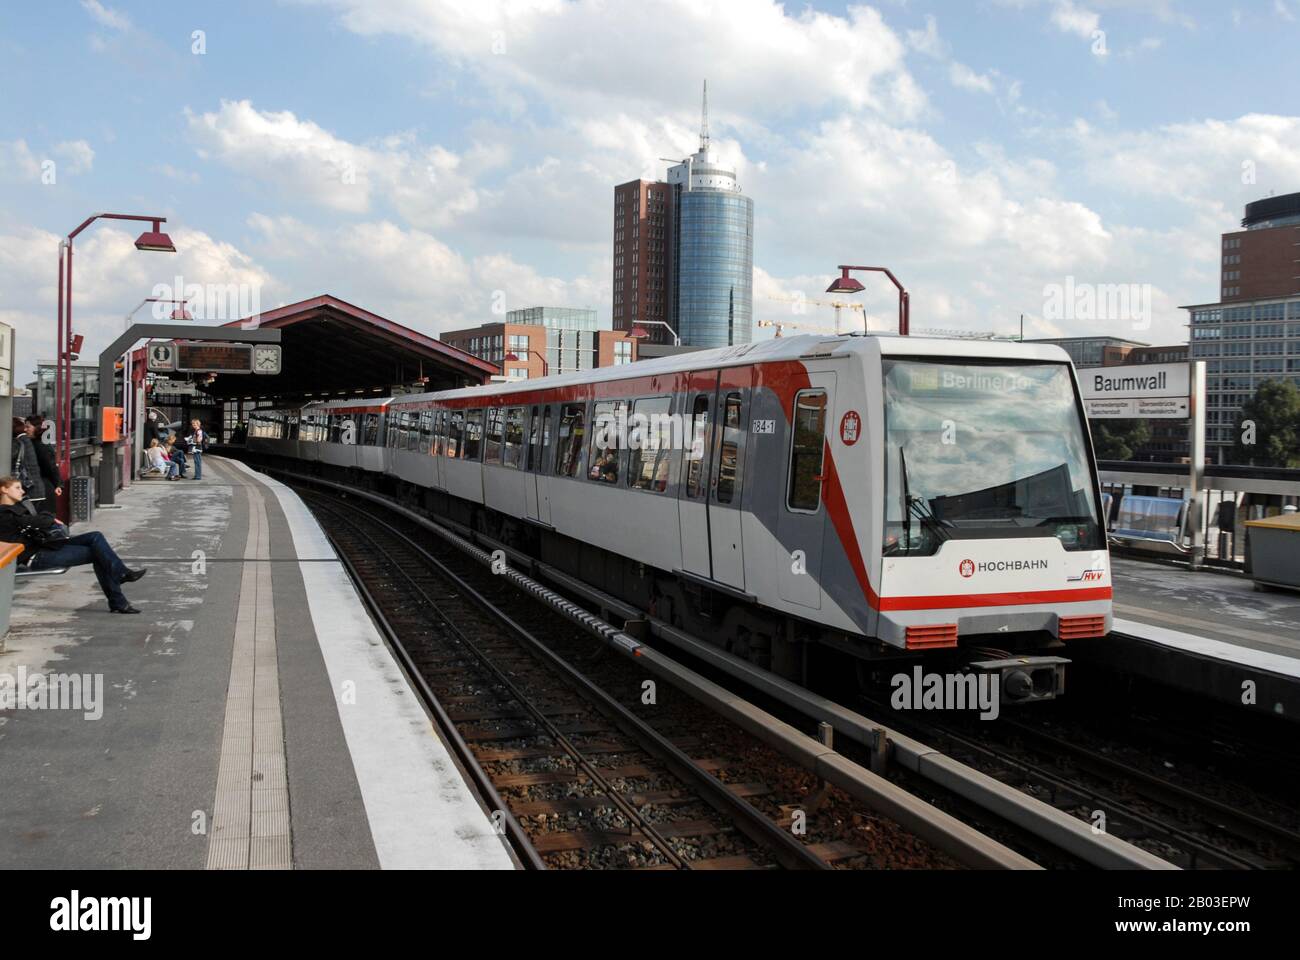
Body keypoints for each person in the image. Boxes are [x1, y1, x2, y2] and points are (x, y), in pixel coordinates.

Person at [0, 474, 146, 613]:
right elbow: (41, 520)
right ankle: (119, 594)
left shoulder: (18, 508)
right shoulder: (4, 514)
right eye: (17, 488)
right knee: (99, 554)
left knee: (95, 537)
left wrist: (46, 518)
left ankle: (121, 577)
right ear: (4, 489)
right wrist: (48, 518)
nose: (23, 491)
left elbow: (41, 518)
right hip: (36, 556)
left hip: (46, 545)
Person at [24, 416, 62, 501]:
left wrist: (58, 484)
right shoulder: (32, 442)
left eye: (28, 427)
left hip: (43, 485)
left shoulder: (42, 446)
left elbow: (50, 466)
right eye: (24, 427)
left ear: (37, 428)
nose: (25, 430)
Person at [11, 417, 45, 504]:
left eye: (28, 427)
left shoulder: (18, 442)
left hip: (29, 490)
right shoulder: (26, 440)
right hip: (35, 489)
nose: (26, 429)